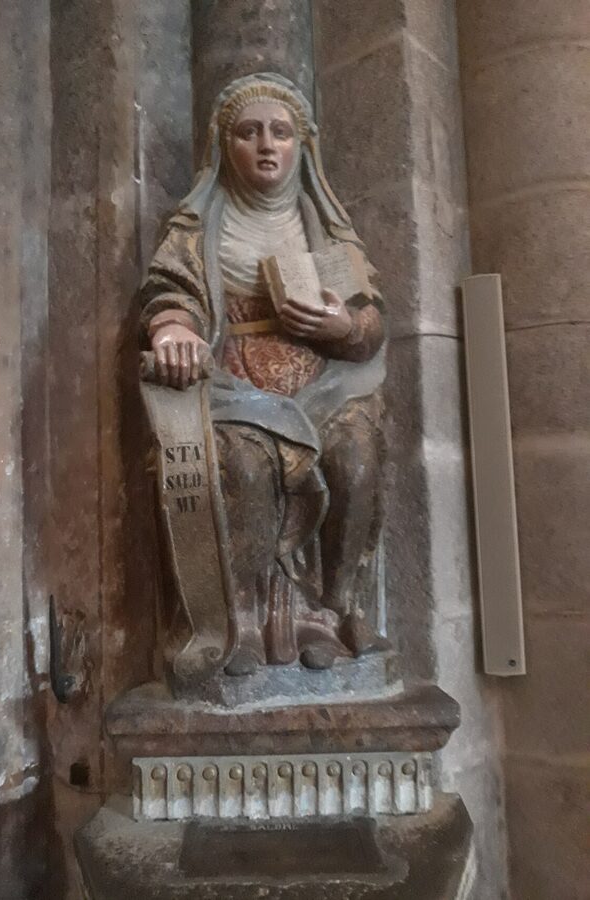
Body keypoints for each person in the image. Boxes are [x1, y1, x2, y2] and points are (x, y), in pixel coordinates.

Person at [140, 73, 388, 676]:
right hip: (237, 389)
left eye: (280, 133)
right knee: (244, 462)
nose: (266, 146)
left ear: (302, 145)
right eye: (249, 133)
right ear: (225, 145)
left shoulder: (323, 224)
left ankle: (335, 611)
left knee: (356, 450)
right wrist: (173, 330)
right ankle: (239, 623)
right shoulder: (198, 227)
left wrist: (343, 328)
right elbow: (173, 292)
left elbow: (369, 319)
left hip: (322, 386)